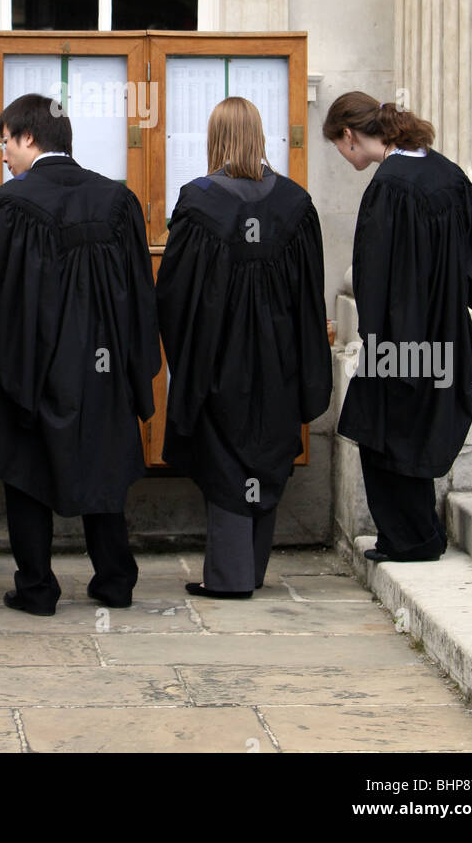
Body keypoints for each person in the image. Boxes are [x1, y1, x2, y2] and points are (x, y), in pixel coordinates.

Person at [0, 93, 160, 615]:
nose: (3, 155)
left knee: (25, 470)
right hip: (104, 364)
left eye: (6, 142)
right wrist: (135, 365)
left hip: (35, 362)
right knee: (101, 464)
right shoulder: (118, 200)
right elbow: (142, 292)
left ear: (29, 137)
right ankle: (115, 580)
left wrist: (8, 361)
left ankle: (37, 587)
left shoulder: (12, 203)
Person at [157, 97, 333, 598]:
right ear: (260, 137)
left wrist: (189, 349)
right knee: (266, 444)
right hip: (278, 356)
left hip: (218, 356)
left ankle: (231, 578)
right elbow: (309, 289)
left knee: (226, 450)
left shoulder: (199, 202)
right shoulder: (296, 205)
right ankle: (250, 568)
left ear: (214, 139)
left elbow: (173, 293)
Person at [323, 92, 472, 562]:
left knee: (383, 431)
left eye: (339, 147)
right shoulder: (447, 173)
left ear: (349, 135)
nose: (344, 157)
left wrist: (379, 339)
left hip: (402, 333)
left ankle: (411, 539)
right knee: (414, 429)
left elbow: (375, 273)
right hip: (446, 327)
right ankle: (421, 535)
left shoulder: (390, 186)